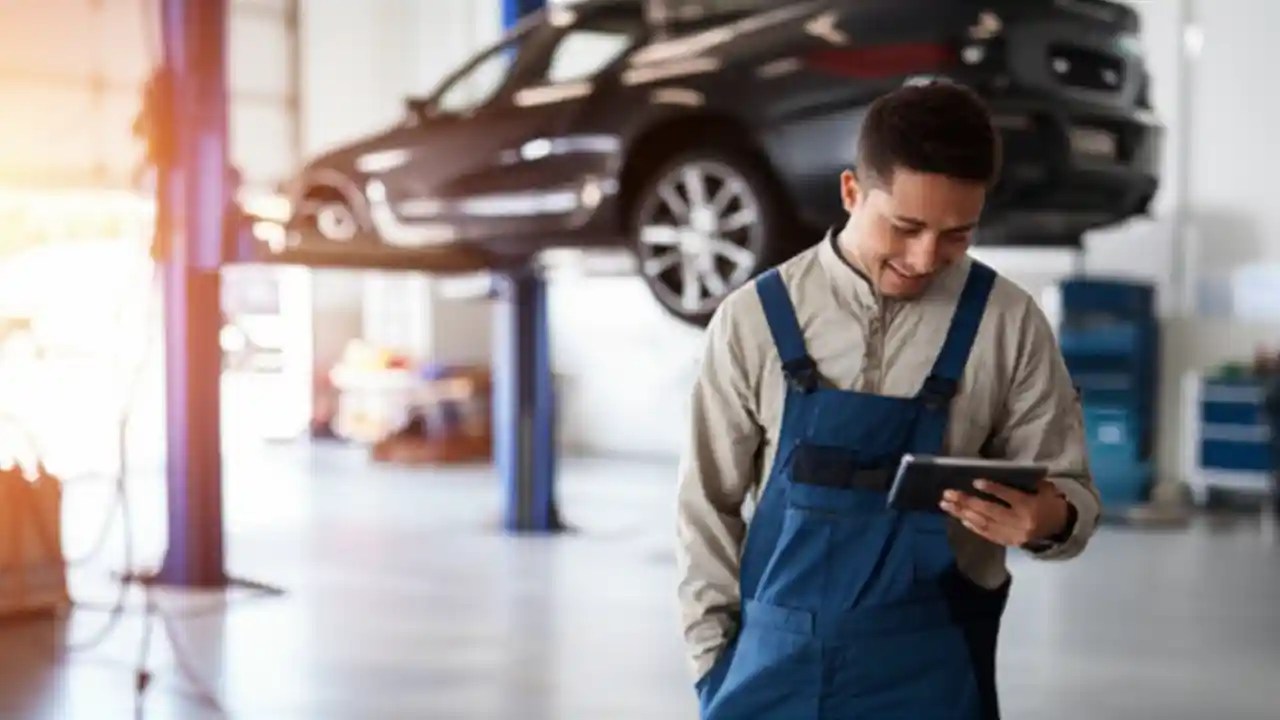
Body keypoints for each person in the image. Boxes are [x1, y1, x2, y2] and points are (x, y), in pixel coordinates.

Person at [675, 82, 1101, 720]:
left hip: (932, 676)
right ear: (852, 192)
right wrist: (712, 665)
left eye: (958, 234)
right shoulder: (754, 320)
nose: (926, 257)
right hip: (770, 674)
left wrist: (1047, 521)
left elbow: (1075, 495)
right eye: (905, 227)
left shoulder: (1008, 323)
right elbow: (706, 505)